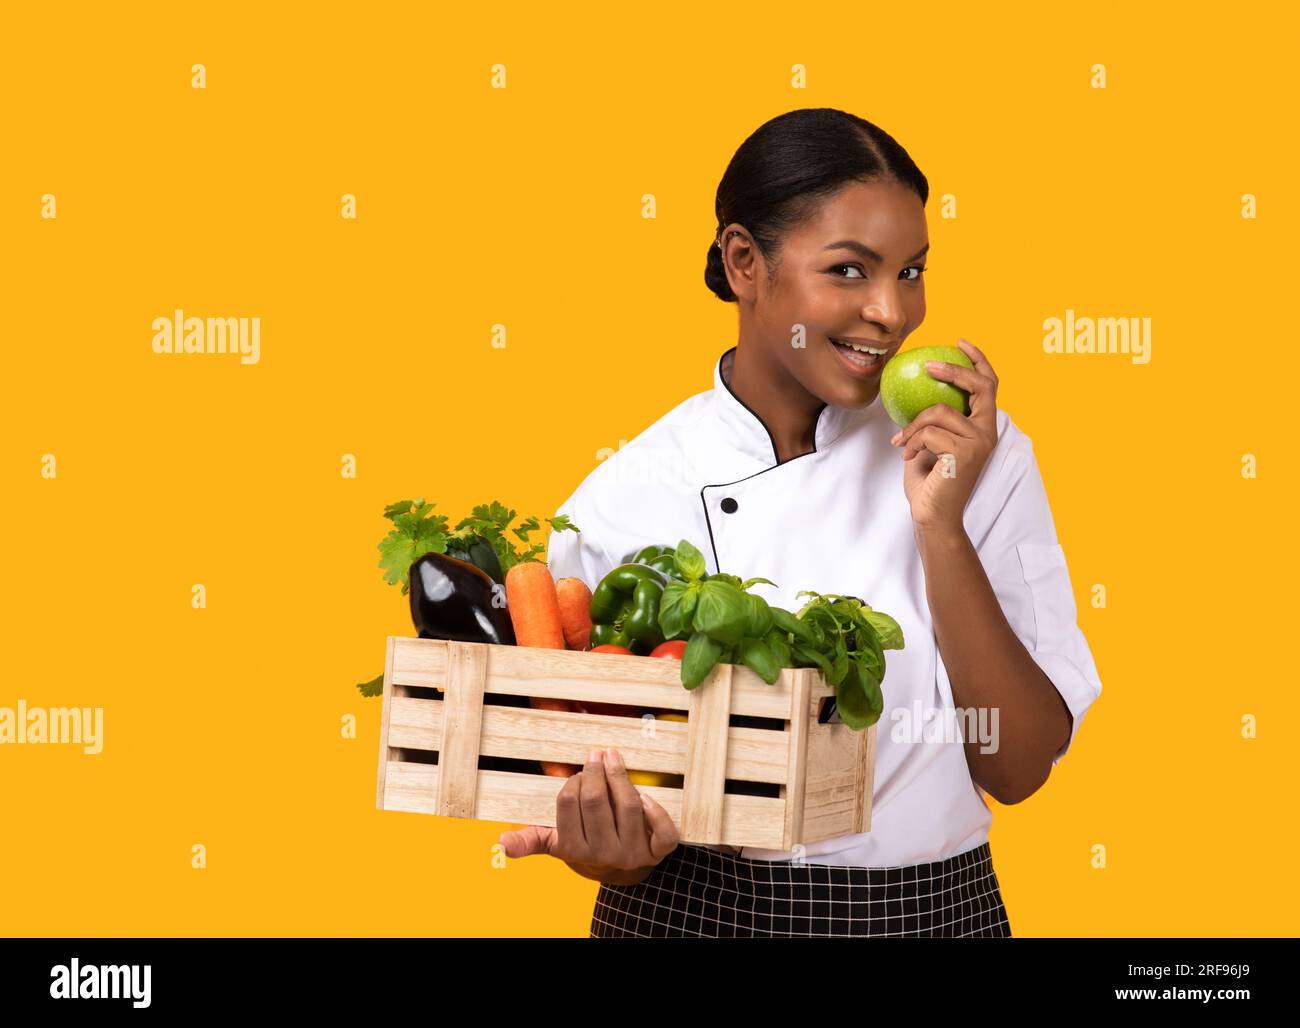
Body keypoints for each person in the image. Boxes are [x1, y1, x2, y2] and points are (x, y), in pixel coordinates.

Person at [498, 107, 1103, 937]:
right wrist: (607, 849)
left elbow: (1020, 764)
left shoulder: (970, 455)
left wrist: (941, 526)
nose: (893, 313)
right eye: (851, 271)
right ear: (745, 262)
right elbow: (603, 804)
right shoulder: (624, 497)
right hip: (688, 915)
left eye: (912, 271)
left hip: (929, 916)